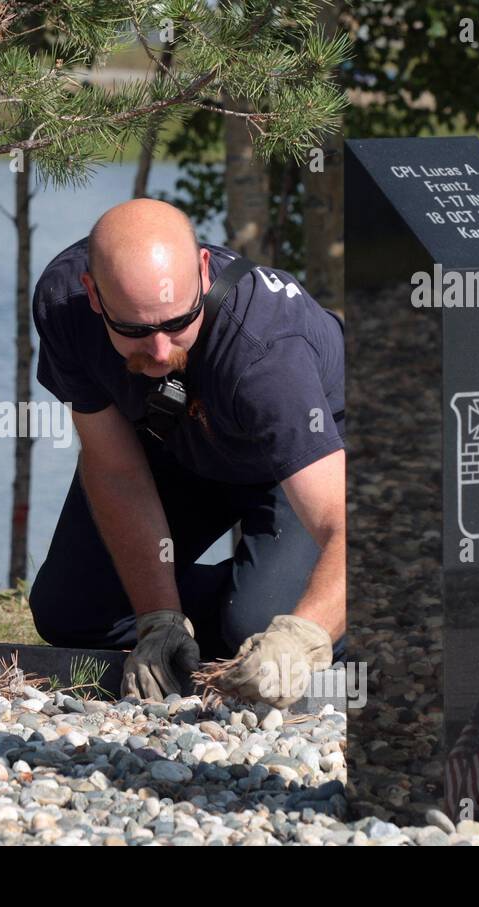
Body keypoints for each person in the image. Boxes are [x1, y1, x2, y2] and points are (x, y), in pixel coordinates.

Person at [28, 198, 346, 707]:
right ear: (93, 294)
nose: (159, 352)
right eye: (134, 330)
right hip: (185, 441)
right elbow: (115, 467)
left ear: (202, 270)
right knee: (71, 612)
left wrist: (300, 635)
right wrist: (158, 618)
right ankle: (235, 604)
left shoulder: (267, 353)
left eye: (177, 323)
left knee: (259, 624)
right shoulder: (63, 305)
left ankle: (307, 604)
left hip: (296, 457)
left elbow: (343, 522)